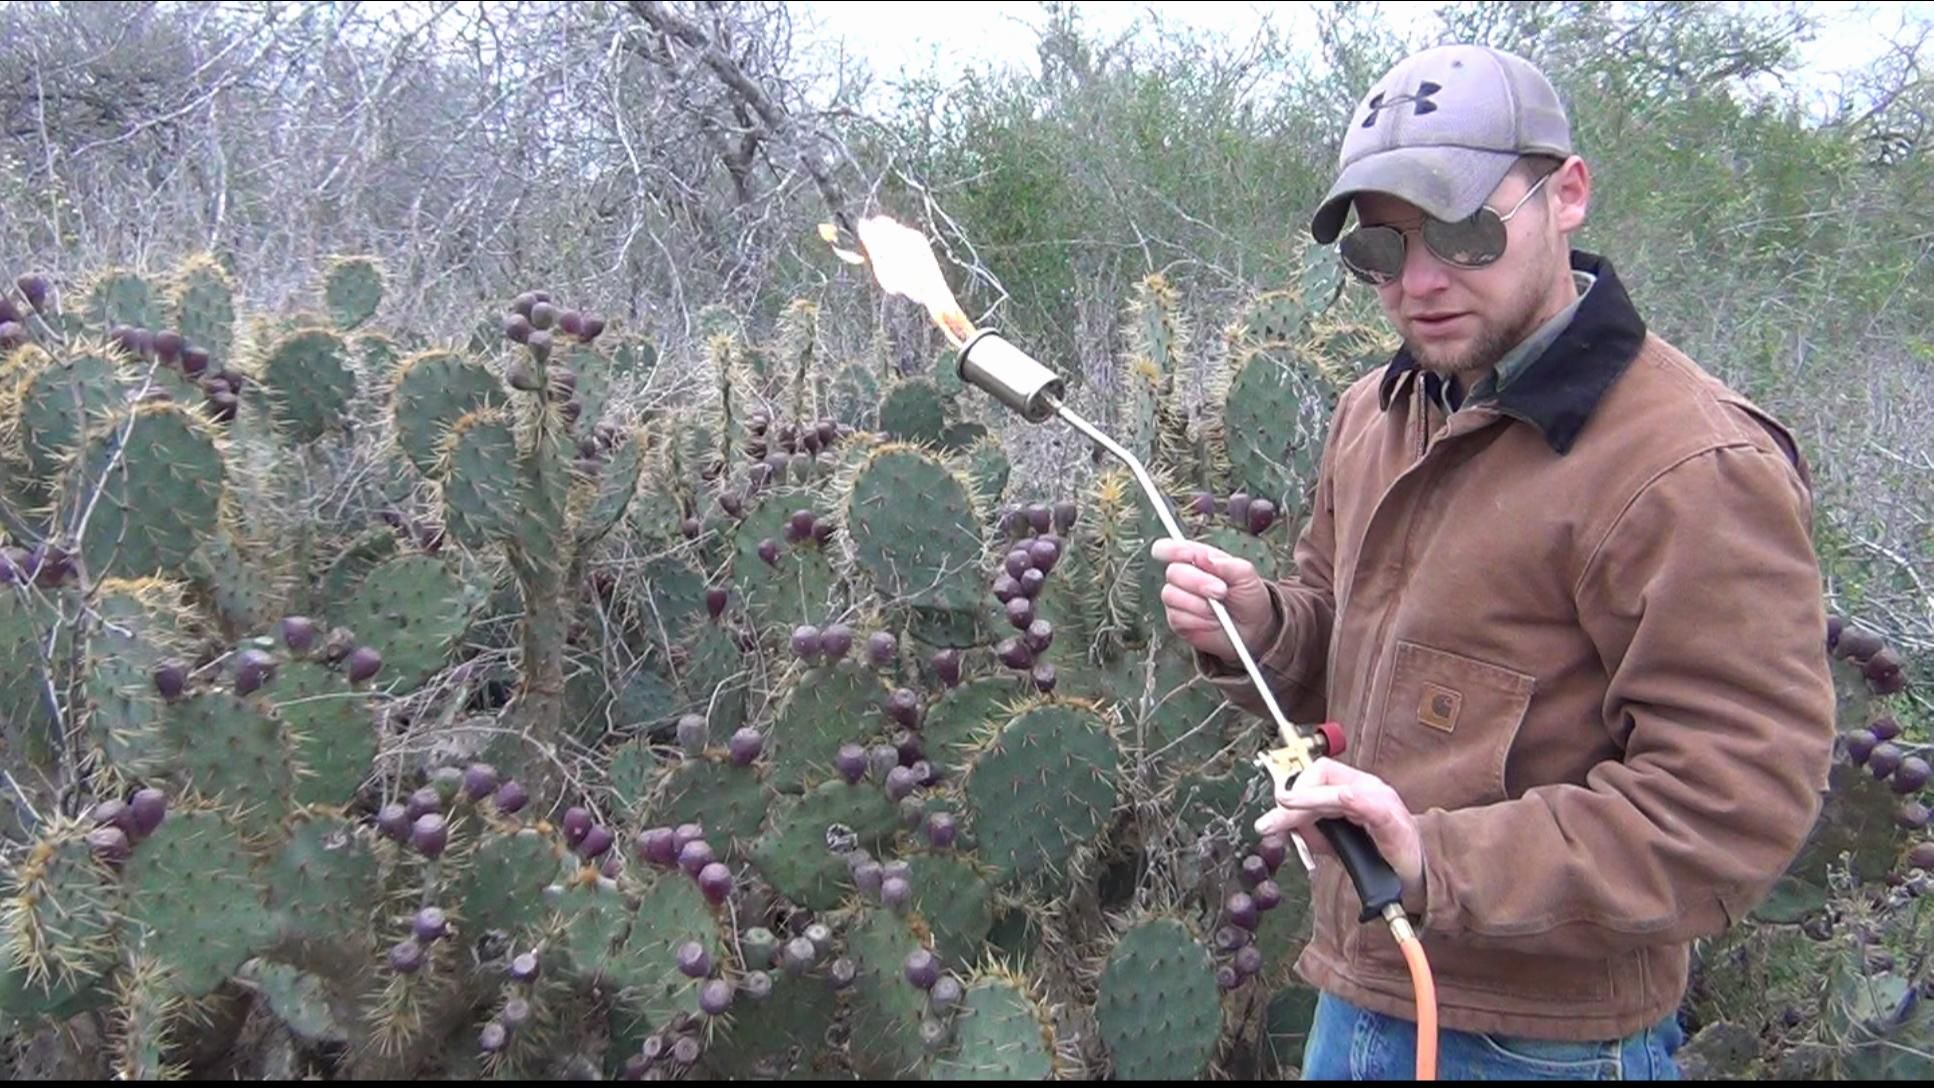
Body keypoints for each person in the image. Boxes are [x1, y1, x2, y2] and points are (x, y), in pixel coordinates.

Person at [1153, 43, 1837, 1080]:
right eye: (1380, 248)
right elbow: (1350, 647)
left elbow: (1727, 808)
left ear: (1567, 195)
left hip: (1541, 1045)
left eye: (1466, 231)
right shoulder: (1378, 410)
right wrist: (1262, 628)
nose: (1420, 282)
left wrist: (1435, 859)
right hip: (1359, 988)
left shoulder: (1690, 468)